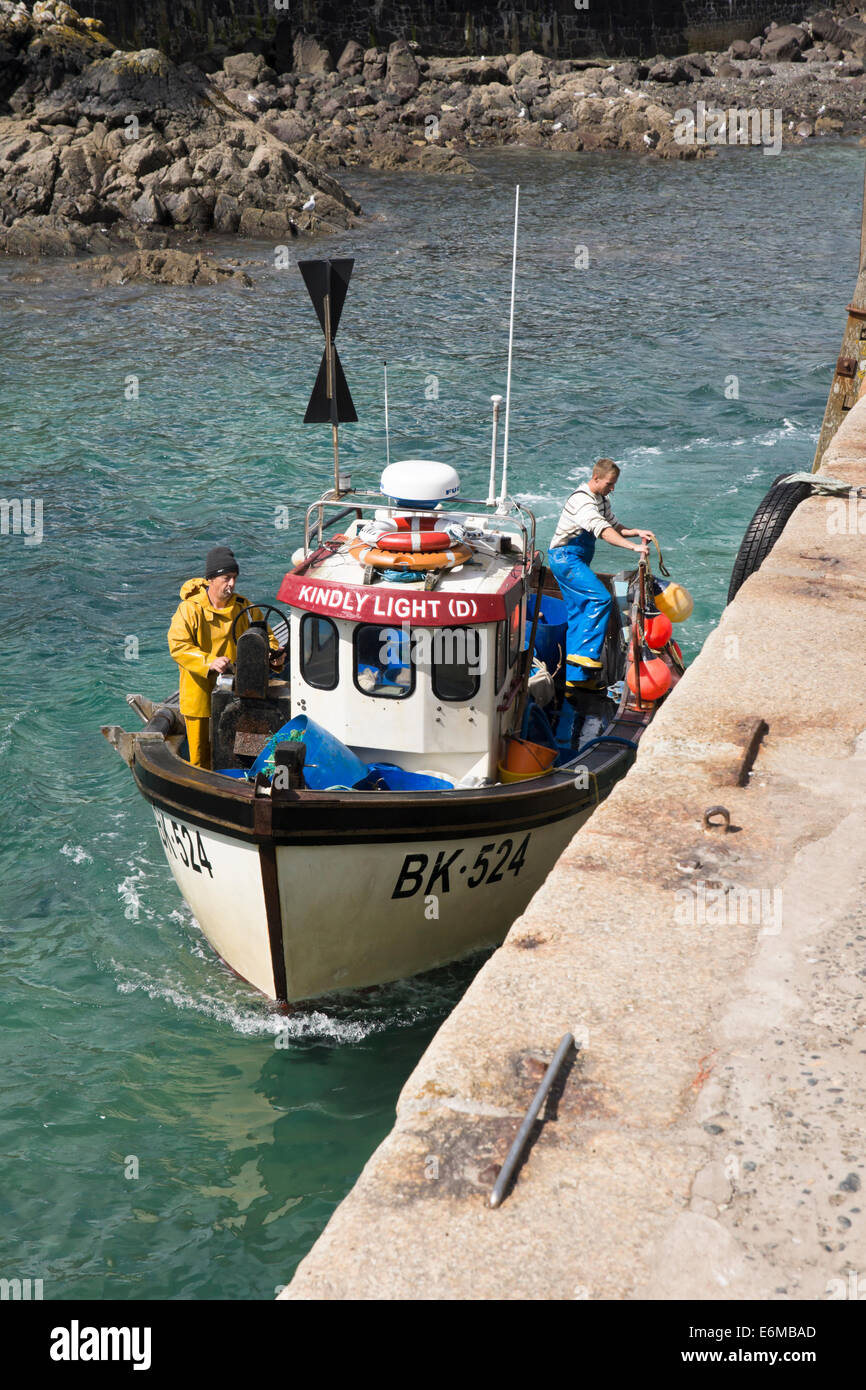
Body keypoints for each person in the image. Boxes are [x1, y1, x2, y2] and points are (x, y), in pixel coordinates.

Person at [167, 546, 285, 769]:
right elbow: (178, 646)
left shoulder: (246, 608)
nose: (231, 584)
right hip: (199, 695)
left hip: (237, 692)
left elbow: (267, 638)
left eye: (234, 578)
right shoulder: (189, 609)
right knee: (200, 758)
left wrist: (274, 657)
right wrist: (208, 662)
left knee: (238, 751)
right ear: (210, 579)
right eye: (226, 578)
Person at [547, 459, 655, 691]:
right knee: (600, 599)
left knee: (579, 610)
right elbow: (603, 531)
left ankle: (577, 679)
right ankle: (584, 657)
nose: (612, 488)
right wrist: (632, 547)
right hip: (565, 558)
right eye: (609, 484)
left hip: (577, 559)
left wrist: (635, 532)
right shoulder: (582, 501)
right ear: (596, 478)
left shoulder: (601, 499)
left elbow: (613, 525)